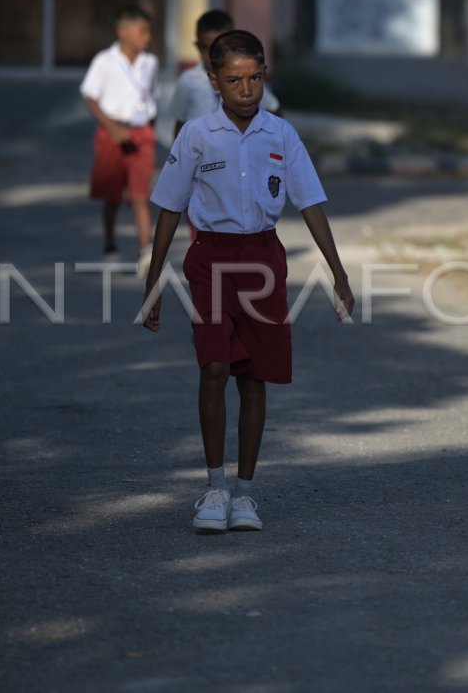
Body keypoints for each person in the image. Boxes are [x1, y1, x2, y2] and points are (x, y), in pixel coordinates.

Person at [142, 30, 355, 533]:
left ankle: (245, 493)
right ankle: (213, 487)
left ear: (265, 75)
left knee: (253, 377)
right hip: (210, 259)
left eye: (255, 77)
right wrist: (153, 283)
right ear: (213, 80)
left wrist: (338, 270)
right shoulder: (196, 134)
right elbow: (169, 210)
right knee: (214, 366)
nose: (246, 89)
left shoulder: (281, 135)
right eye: (234, 79)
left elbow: (310, 204)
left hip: (263, 260)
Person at [79, 5, 158, 277]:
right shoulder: (104, 61)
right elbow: (90, 96)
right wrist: (111, 128)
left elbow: (151, 97)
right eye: (142, 31)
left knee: (140, 195)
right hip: (111, 132)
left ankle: (146, 252)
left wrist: (149, 128)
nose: (147, 37)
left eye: (148, 32)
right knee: (112, 195)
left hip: (142, 133)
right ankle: (110, 248)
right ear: (123, 32)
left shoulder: (150, 63)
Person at [168, 9, 281, 139]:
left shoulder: (248, 83)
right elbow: (180, 124)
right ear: (198, 46)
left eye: (221, 49)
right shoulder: (188, 81)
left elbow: (274, 108)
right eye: (207, 48)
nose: (214, 55)